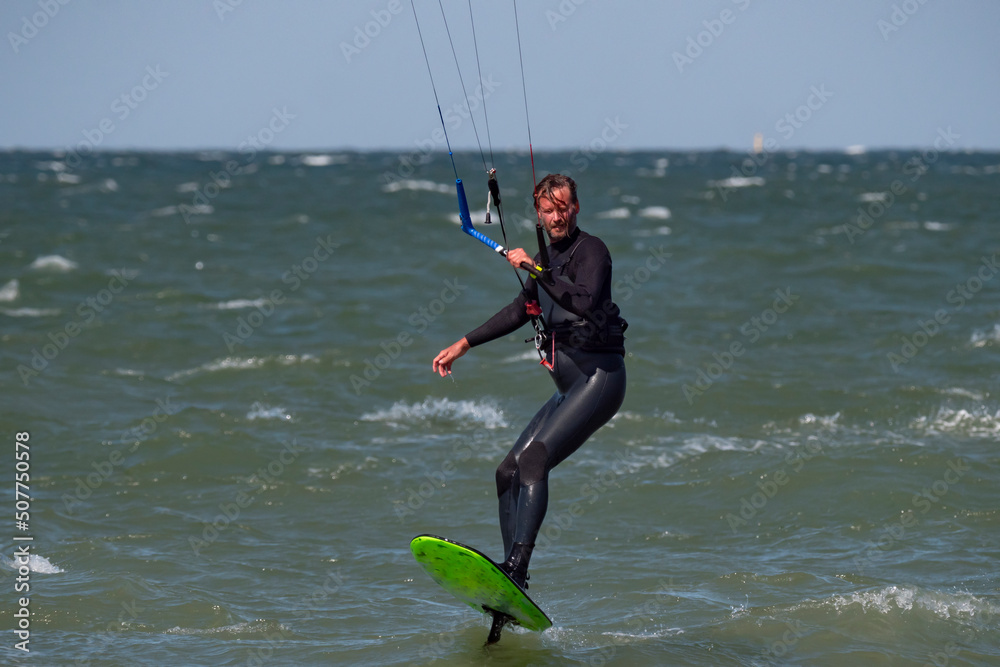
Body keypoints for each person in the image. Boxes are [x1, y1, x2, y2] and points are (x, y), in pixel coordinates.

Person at [432, 173, 628, 590]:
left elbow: (584, 300)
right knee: (508, 472)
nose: (557, 217)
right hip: (568, 388)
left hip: (600, 378)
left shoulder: (592, 250)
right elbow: (521, 309)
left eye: (563, 208)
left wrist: (534, 267)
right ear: (538, 214)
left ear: (576, 208)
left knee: (535, 460)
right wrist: (464, 343)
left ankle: (518, 567)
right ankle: (510, 577)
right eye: (548, 210)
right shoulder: (545, 259)